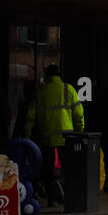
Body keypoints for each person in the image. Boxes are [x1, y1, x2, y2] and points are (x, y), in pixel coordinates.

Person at [24, 64, 85, 205]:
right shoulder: (68, 89)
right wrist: (79, 130)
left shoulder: (40, 92)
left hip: (46, 137)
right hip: (66, 137)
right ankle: (66, 195)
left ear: (46, 76)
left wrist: (27, 136)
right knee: (67, 167)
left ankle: (52, 198)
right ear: (59, 75)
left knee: (47, 169)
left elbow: (30, 117)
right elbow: (78, 113)